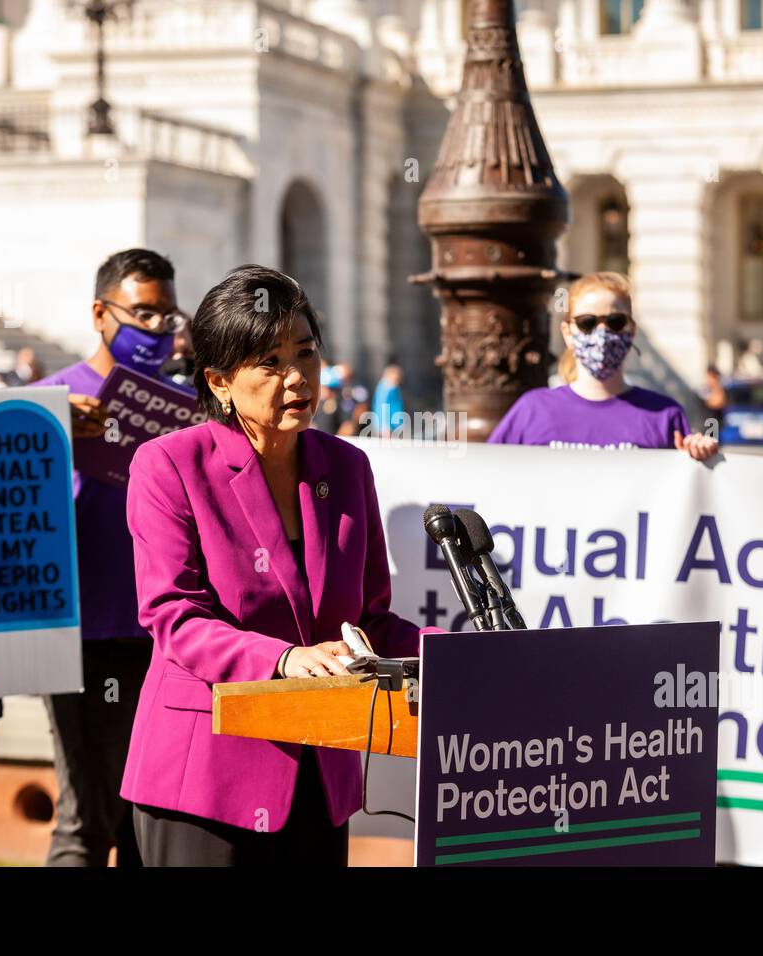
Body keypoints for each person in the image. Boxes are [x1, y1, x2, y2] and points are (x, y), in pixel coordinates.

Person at [123, 265, 437, 866]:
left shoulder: (346, 467)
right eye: (269, 362)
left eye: (306, 353)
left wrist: (459, 655)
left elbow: (368, 624)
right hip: (205, 783)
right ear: (219, 381)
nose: (297, 378)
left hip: (322, 778)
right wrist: (285, 659)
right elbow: (174, 619)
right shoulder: (167, 465)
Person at [32, 248, 191, 867]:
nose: (157, 329)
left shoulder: (181, 409)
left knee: (147, 823)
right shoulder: (48, 400)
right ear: (101, 314)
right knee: (86, 818)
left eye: (167, 317)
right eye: (143, 313)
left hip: (165, 638)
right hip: (80, 637)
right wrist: (52, 434)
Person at [488, 272, 719, 460]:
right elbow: (489, 476)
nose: (602, 333)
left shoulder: (664, 415)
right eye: (587, 323)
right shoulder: (532, 410)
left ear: (632, 330)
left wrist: (701, 456)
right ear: (568, 333)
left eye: (615, 322)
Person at [370, 358, 405, 436]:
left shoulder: (395, 387)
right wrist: (384, 426)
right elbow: (381, 406)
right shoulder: (385, 387)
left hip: (395, 424)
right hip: (387, 426)